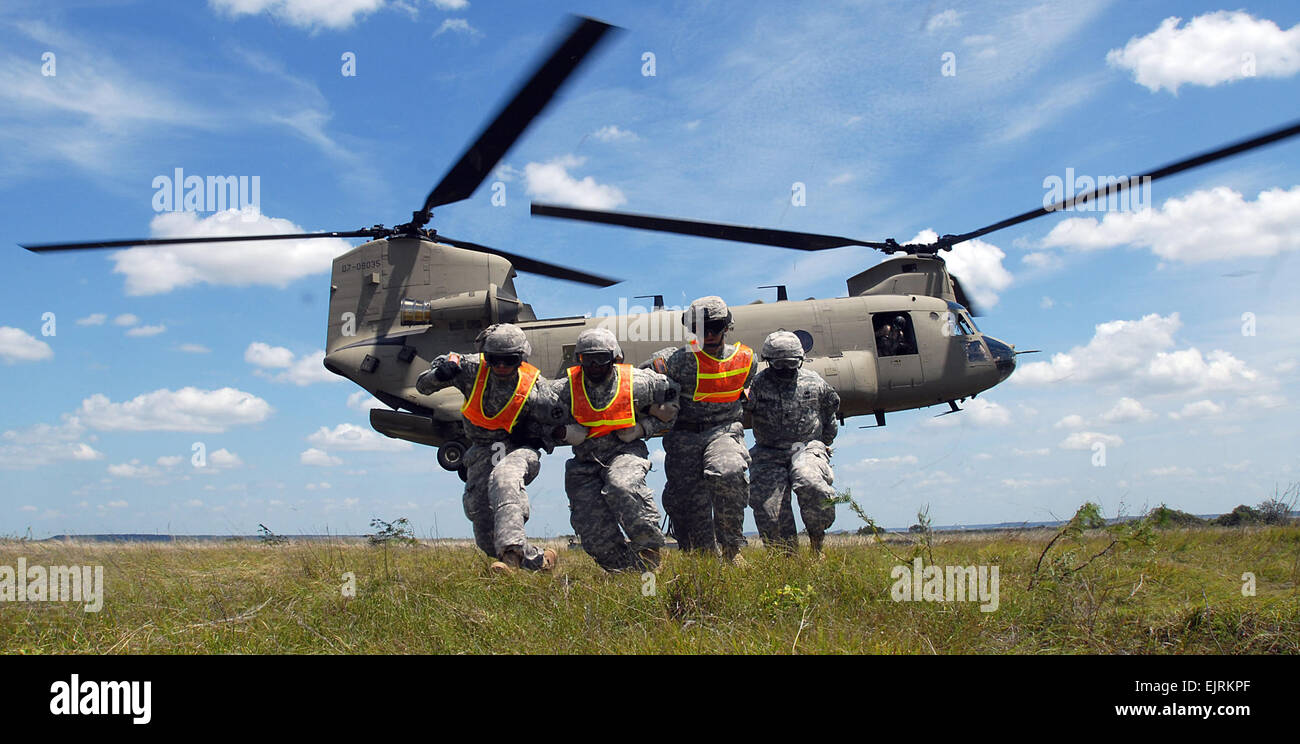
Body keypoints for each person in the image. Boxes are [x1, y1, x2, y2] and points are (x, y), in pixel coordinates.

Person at [415, 323, 562, 574]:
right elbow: (422, 387)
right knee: (483, 524)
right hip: (482, 449)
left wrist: (539, 433)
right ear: (486, 357)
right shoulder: (469, 368)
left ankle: (512, 559)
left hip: (519, 449)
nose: (502, 367)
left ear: (521, 358)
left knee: (504, 480)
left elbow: (561, 419)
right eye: (495, 360)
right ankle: (541, 561)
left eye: (510, 360)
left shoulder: (537, 388)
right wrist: (439, 375)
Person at [549, 328, 679, 572]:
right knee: (592, 531)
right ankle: (630, 573)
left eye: (601, 358)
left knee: (622, 485)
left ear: (616, 358)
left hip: (625, 451)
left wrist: (642, 428)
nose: (595, 365)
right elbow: (535, 409)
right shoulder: (565, 389)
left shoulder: (639, 382)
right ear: (579, 359)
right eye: (588, 359)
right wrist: (562, 433)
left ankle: (650, 555)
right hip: (585, 461)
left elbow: (672, 406)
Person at [659, 296, 756, 564]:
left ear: (727, 326)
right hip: (684, 437)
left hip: (724, 431)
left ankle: (732, 549)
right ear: (692, 330)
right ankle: (702, 558)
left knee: (729, 471)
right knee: (687, 502)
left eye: (716, 327)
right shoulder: (677, 362)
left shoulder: (747, 359)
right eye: (703, 329)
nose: (710, 334)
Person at [745, 330, 841, 556]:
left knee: (809, 482)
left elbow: (830, 415)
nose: (786, 371)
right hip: (769, 454)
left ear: (800, 361)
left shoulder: (815, 381)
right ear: (768, 362)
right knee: (770, 510)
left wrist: (822, 447)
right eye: (779, 366)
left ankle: (817, 544)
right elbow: (739, 411)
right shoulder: (757, 385)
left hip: (806, 447)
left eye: (791, 365)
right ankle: (786, 563)